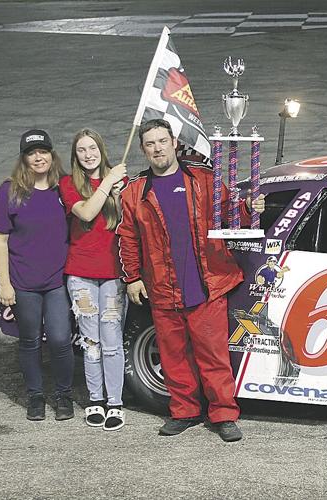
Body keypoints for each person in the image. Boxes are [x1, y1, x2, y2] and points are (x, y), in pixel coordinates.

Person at [116, 118, 265, 442]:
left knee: (213, 356)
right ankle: (183, 411)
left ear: (173, 143)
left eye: (162, 141)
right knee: (174, 356)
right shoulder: (134, 193)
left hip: (207, 285)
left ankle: (224, 414)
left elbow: (228, 212)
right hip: (163, 287)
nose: (157, 148)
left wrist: (248, 205)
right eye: (150, 144)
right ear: (144, 150)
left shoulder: (203, 180)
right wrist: (132, 278)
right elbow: (128, 238)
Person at [0, 130, 73, 421]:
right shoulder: (9, 190)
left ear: (51, 155)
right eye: (32, 153)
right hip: (23, 282)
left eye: (43, 152)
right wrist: (6, 284)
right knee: (30, 340)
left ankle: (63, 396)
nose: (39, 157)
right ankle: (35, 396)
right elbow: (0, 240)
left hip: (56, 282)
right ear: (24, 158)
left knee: (61, 339)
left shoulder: (64, 188)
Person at [60, 129, 129, 430]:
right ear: (75, 156)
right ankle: (95, 400)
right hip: (81, 275)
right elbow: (86, 213)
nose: (88, 155)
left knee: (112, 340)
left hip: (114, 275)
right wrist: (108, 182)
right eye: (81, 151)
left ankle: (115, 402)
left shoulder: (119, 183)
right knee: (91, 342)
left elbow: (130, 223)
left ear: (101, 149)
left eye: (92, 148)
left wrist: (118, 190)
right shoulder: (68, 184)